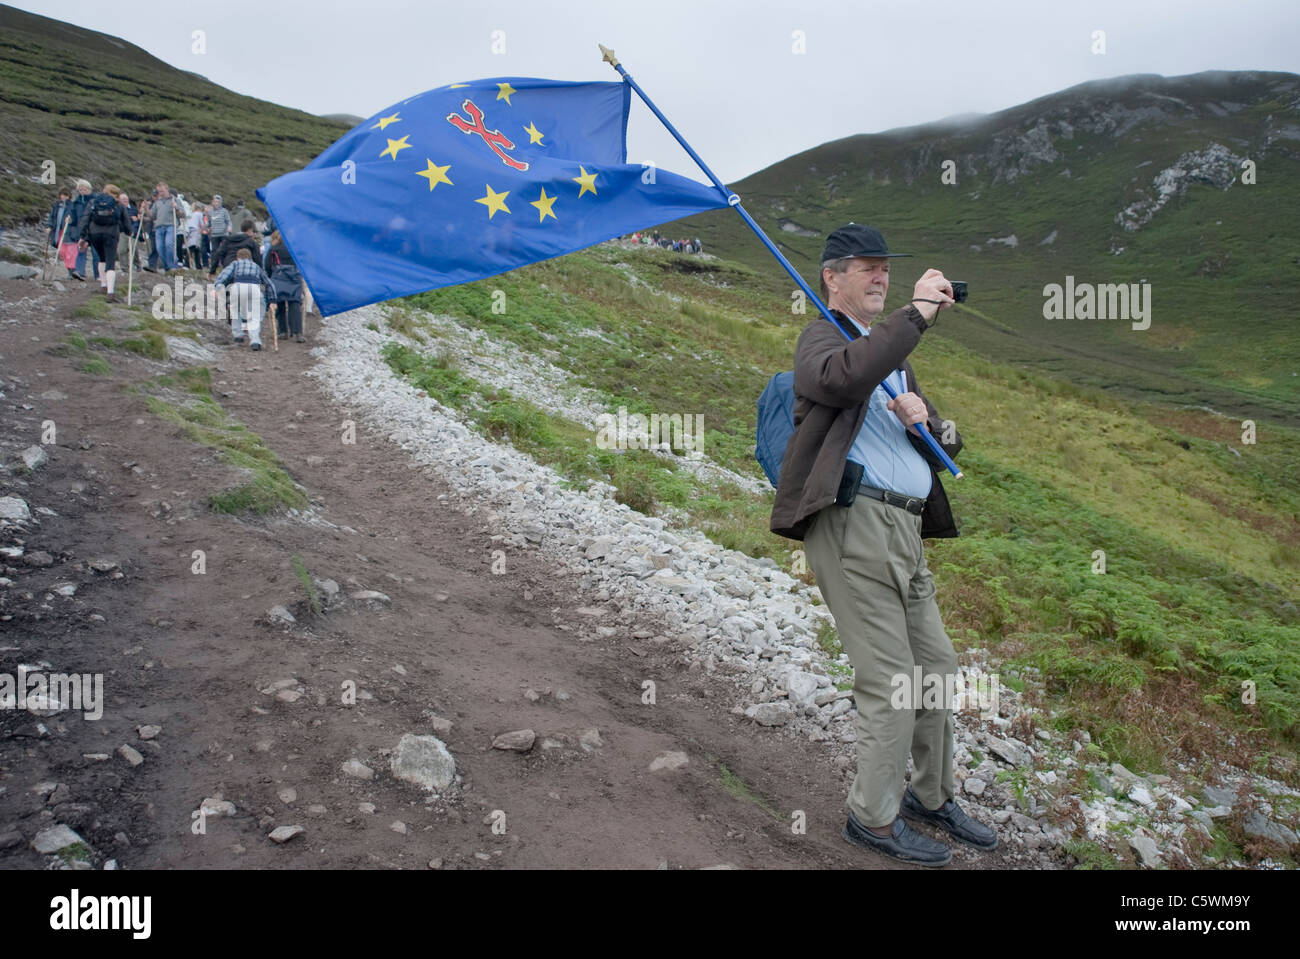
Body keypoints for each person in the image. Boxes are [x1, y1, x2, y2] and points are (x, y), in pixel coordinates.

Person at [769, 223, 991, 867]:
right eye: (865, 267)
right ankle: (872, 818)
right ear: (831, 278)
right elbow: (841, 382)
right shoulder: (821, 339)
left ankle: (930, 794)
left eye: (885, 269)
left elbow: (945, 442)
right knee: (892, 678)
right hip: (852, 524)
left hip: (905, 529)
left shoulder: (891, 355)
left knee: (937, 670)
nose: (879, 277)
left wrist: (930, 424)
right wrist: (916, 313)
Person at [76, 183, 129, 301]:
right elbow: (126, 222)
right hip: (111, 235)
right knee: (110, 262)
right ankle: (111, 293)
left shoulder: (94, 202)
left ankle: (103, 286)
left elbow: (85, 219)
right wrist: (129, 232)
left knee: (101, 259)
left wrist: (83, 236)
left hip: (94, 234)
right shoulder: (118, 205)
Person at [213, 248, 273, 350]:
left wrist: (218, 288)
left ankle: (238, 335)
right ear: (250, 258)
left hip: (238, 287)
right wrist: (272, 299)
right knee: (254, 315)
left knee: (236, 311)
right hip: (254, 288)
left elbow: (223, 277)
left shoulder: (235, 264)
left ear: (238, 257)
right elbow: (268, 283)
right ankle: (255, 341)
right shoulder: (256, 266)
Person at [264, 230, 305, 343]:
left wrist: (269, 276)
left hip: (278, 276)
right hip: (294, 277)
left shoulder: (273, 248)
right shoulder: (295, 247)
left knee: (280, 304)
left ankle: (283, 331)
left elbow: (267, 264)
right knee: (294, 304)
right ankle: (298, 332)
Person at [151, 182, 180, 272]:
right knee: (159, 247)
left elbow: (182, 214)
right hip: (159, 227)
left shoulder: (175, 200)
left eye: (162, 191)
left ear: (167, 189)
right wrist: (146, 209)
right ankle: (167, 266)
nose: (160, 193)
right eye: (159, 192)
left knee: (169, 244)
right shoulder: (157, 202)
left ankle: (172, 266)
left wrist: (176, 208)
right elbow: (152, 216)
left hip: (170, 225)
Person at [47, 188, 75, 278]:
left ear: (69, 196)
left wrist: (70, 220)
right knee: (61, 250)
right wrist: (49, 226)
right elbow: (52, 217)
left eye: (66, 195)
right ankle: (70, 269)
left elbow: (75, 218)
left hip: (67, 231)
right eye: (62, 195)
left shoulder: (72, 206)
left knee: (68, 251)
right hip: (57, 230)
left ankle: (71, 271)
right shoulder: (56, 205)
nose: (63, 197)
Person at [207, 194, 232, 261]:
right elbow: (209, 223)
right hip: (214, 234)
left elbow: (228, 221)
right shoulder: (210, 212)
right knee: (214, 250)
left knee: (224, 249)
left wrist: (229, 227)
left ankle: (225, 263)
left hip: (224, 233)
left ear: (220, 202)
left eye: (218, 202)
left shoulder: (224, 211)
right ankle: (213, 266)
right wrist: (208, 228)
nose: (216, 203)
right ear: (212, 202)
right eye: (215, 201)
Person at [185, 202, 204, 269]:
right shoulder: (199, 214)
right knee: (192, 247)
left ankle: (198, 265)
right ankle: (187, 264)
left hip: (188, 230)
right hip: (195, 231)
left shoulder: (191, 214)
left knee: (195, 249)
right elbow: (201, 224)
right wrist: (204, 229)